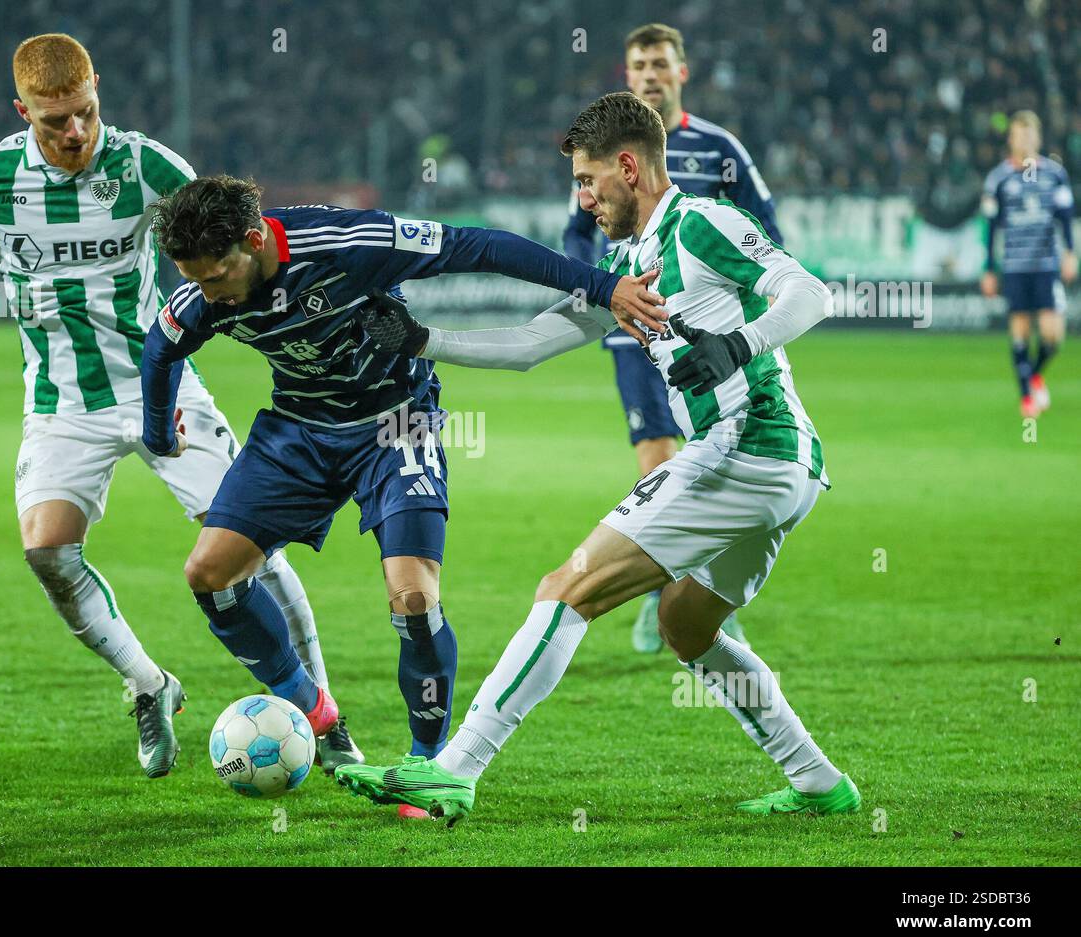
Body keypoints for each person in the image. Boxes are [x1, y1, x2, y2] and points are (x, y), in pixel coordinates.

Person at [0, 33, 360, 778]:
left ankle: (325, 718)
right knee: (46, 550)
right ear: (21, 110)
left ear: (98, 89)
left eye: (86, 113)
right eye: (53, 121)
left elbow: (234, 239)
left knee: (253, 548)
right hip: (61, 403)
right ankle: (150, 685)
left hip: (163, 386)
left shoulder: (145, 164)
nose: (75, 134)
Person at [337, 92, 857, 825]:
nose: (582, 201)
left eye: (587, 182)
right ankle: (818, 782)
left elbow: (809, 293)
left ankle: (456, 769)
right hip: (778, 468)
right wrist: (422, 340)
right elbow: (529, 345)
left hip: (747, 447)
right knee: (687, 626)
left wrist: (739, 344)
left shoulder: (701, 224)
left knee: (565, 588)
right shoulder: (625, 265)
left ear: (627, 167)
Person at [139, 174, 664, 817]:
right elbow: (160, 350)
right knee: (210, 575)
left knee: (414, 598)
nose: (208, 295)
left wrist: (604, 286)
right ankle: (315, 709)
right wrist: (158, 433)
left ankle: (426, 761)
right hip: (298, 430)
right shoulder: (203, 295)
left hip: (397, 422)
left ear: (254, 241)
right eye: (196, 280)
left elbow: (482, 247)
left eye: (217, 278)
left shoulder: (351, 242)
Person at [564, 23, 782, 652]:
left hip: (705, 334)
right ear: (627, 76)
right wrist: (603, 287)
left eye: (661, 63)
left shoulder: (719, 149)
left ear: (682, 72)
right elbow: (578, 235)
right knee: (657, 461)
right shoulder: (606, 157)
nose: (650, 74)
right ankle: (669, 593)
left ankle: (701, 593)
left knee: (716, 460)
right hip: (634, 334)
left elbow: (763, 228)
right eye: (639, 65)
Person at [981, 110, 1076, 418]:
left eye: (1028, 134)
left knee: (1053, 335)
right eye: (1018, 134)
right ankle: (1027, 399)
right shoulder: (998, 178)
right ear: (1011, 139)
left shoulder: (1054, 174)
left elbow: (1064, 218)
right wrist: (988, 269)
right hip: (1015, 266)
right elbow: (991, 228)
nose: (1023, 140)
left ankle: (1033, 375)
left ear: (1037, 138)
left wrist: (1070, 253)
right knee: (1020, 331)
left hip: (1046, 265)